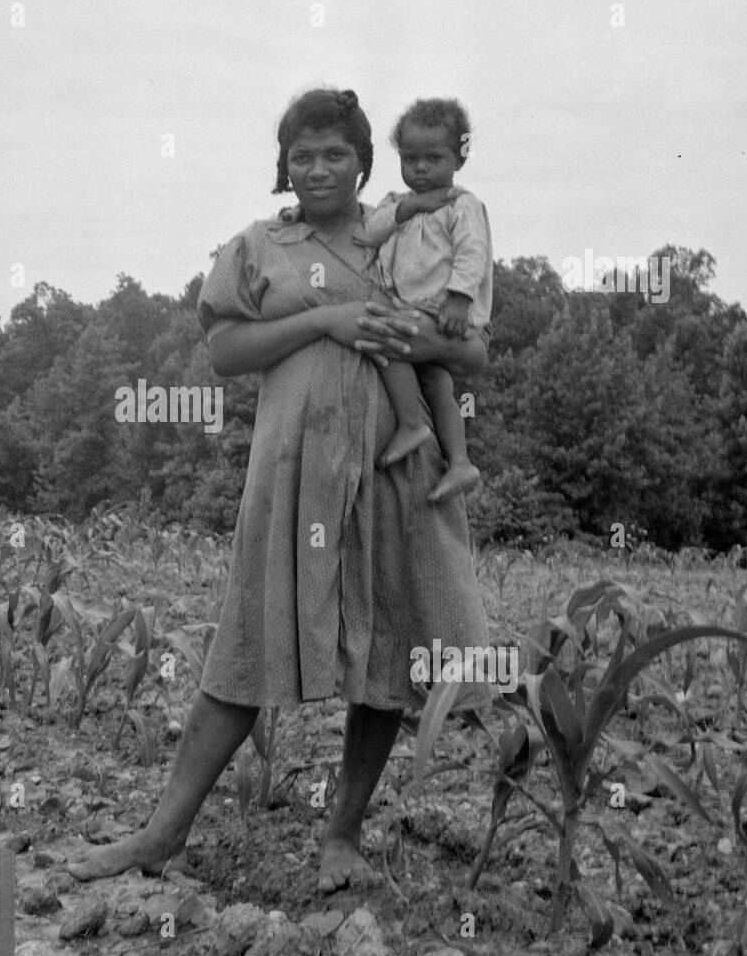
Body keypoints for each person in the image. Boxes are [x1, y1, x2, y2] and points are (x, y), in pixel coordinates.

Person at [69, 87, 492, 895]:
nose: (319, 168)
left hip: (398, 467)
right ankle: (160, 836)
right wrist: (323, 323)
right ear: (283, 166)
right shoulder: (257, 246)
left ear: (365, 162)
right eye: (302, 155)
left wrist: (419, 333)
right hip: (293, 471)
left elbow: (471, 358)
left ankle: (341, 838)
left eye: (336, 153)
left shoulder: (403, 238)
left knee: (391, 649)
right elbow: (227, 351)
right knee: (244, 645)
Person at [362, 98, 493, 503]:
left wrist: (459, 298)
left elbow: (473, 253)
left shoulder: (462, 205)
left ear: (459, 158)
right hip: (413, 308)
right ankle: (460, 463)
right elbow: (369, 232)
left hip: (443, 310)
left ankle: (411, 424)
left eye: (433, 158)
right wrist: (409, 206)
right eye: (410, 158)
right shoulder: (395, 204)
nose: (420, 168)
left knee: (386, 340)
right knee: (437, 381)